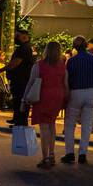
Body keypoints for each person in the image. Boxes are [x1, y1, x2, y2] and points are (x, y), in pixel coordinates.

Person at [25, 41, 68, 169]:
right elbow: (66, 84)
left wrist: (24, 99)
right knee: (51, 125)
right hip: (57, 97)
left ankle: (45, 157)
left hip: (43, 96)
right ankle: (52, 153)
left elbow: (31, 82)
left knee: (44, 128)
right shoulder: (62, 66)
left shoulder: (39, 65)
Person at [64, 36, 93, 164]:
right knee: (87, 125)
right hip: (92, 92)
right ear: (86, 45)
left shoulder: (71, 62)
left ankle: (70, 153)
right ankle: (83, 154)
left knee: (70, 124)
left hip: (75, 92)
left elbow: (67, 81)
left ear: (74, 47)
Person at [3, 29, 35, 127]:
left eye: (18, 35)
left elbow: (16, 62)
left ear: (24, 36)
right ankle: (17, 119)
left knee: (20, 100)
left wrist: (3, 69)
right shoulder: (27, 47)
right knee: (18, 100)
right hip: (22, 79)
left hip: (21, 80)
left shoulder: (24, 48)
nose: (16, 37)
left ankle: (20, 121)